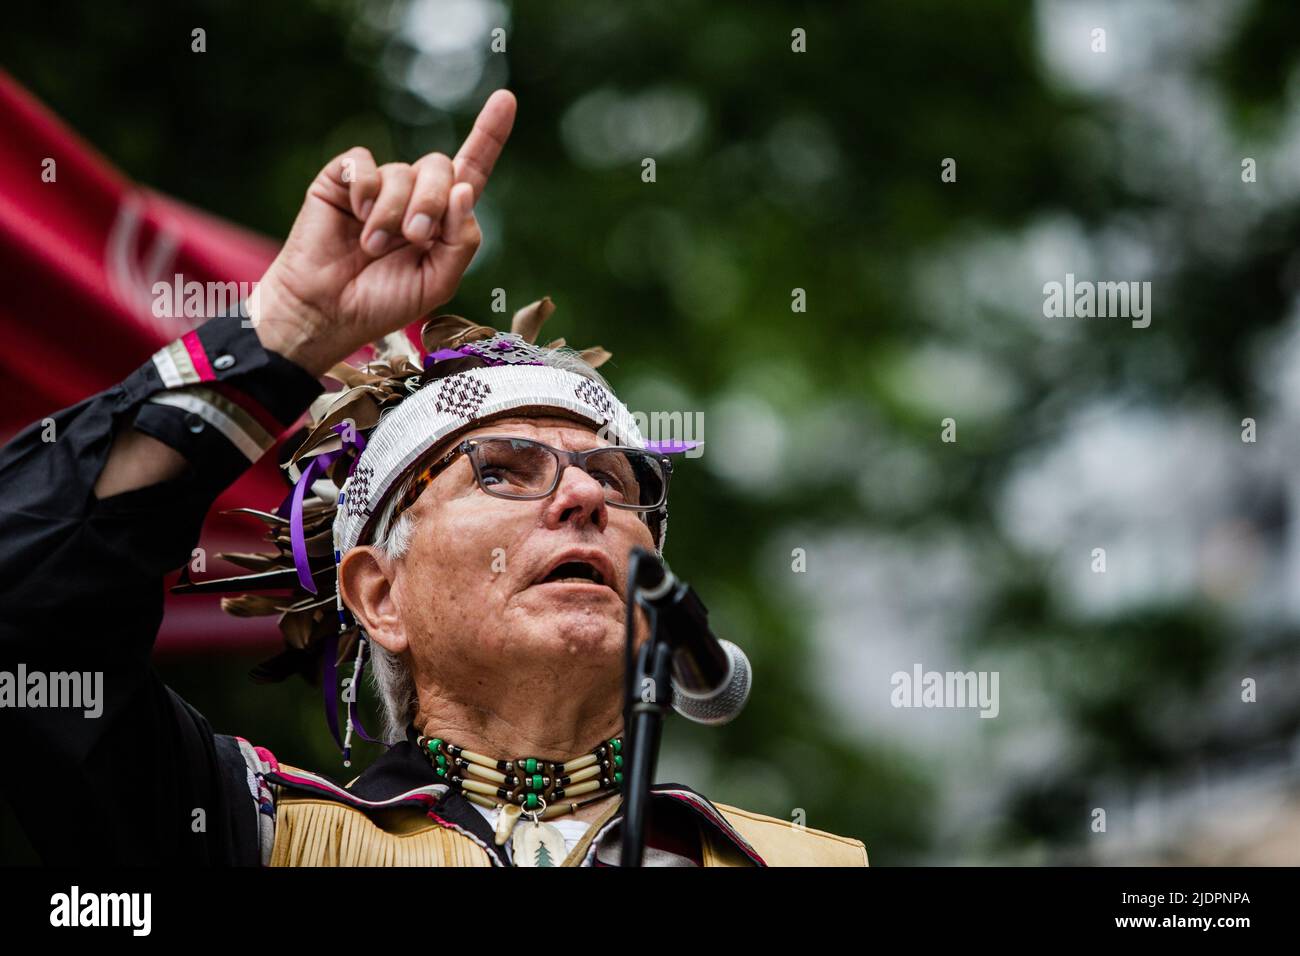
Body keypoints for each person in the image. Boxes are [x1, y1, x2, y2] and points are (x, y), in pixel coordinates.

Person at [0, 89, 867, 866]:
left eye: (615, 475)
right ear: (381, 594)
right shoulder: (253, 836)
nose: (587, 496)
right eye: (503, 471)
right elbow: (31, 612)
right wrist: (285, 332)